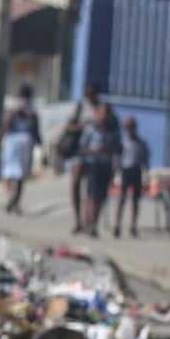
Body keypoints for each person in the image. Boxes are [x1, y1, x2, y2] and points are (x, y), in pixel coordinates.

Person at [62, 82, 105, 234]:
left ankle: (89, 222)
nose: (89, 96)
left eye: (92, 93)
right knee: (75, 183)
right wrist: (83, 127)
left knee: (91, 189)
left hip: (95, 153)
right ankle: (77, 220)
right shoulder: (80, 107)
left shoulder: (101, 108)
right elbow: (68, 126)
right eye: (87, 93)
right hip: (80, 150)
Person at [0, 84, 41, 214]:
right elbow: (36, 130)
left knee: (7, 172)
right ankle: (15, 201)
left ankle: (11, 197)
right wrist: (39, 145)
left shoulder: (14, 107)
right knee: (20, 174)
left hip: (13, 141)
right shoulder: (32, 110)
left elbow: (6, 124)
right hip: (27, 141)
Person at [79, 103, 120, 237]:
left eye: (107, 113)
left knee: (101, 196)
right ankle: (89, 223)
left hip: (106, 165)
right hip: (93, 163)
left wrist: (108, 148)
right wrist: (94, 150)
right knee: (92, 195)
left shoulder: (113, 130)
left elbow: (119, 148)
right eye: (103, 113)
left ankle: (94, 223)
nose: (105, 116)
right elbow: (82, 147)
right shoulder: (91, 128)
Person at [114, 115, 150, 238]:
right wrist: (114, 175)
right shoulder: (122, 143)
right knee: (122, 198)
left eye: (131, 126)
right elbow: (117, 159)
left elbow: (145, 161)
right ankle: (117, 225)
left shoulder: (141, 144)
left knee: (135, 200)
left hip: (136, 170)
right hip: (125, 171)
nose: (130, 129)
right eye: (127, 127)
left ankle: (133, 225)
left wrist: (146, 178)